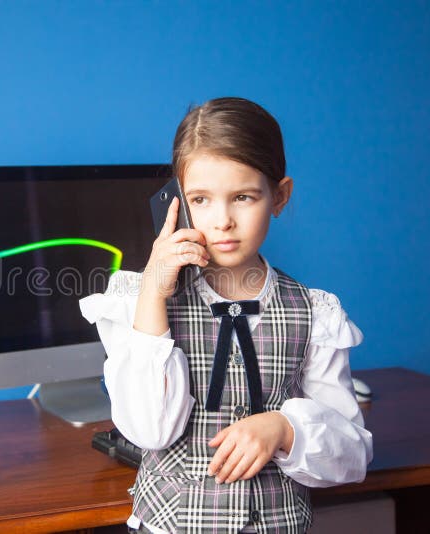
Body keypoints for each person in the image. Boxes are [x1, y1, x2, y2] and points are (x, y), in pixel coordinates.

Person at [78, 97, 373, 534]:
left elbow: (352, 456)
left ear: (280, 196)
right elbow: (148, 431)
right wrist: (152, 294)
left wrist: (285, 427)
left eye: (242, 197)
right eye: (201, 199)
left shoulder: (315, 313)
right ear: (178, 199)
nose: (222, 221)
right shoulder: (141, 302)